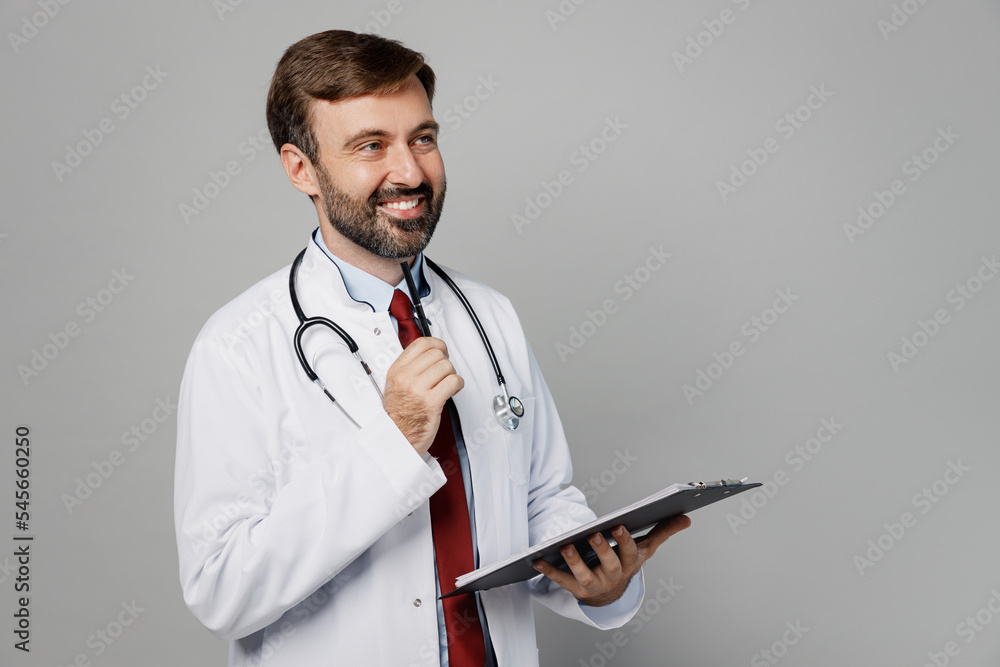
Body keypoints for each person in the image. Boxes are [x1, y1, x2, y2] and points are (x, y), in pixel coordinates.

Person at [173, 29, 689, 666]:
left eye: (423, 138)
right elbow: (221, 589)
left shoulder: (489, 316)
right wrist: (395, 440)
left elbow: (538, 502)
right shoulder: (240, 346)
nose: (411, 172)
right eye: (372, 146)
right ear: (300, 168)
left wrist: (600, 582)